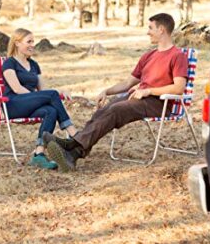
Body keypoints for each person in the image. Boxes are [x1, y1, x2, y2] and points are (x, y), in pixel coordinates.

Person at [43, 13, 188, 172]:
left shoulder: (177, 56)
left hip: (158, 102)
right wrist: (107, 91)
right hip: (137, 98)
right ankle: (73, 150)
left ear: (161, 29)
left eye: (150, 28)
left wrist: (148, 91)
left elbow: (179, 88)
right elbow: (128, 83)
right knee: (104, 109)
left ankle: (73, 149)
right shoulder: (149, 55)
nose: (148, 32)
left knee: (115, 110)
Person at [2, 28, 78, 169]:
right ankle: (74, 134)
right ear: (17, 43)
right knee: (52, 96)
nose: (33, 45)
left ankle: (39, 155)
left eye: (33, 41)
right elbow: (17, 89)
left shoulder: (34, 65)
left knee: (51, 111)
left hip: (29, 105)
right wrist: (39, 96)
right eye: (28, 41)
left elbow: (43, 91)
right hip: (13, 104)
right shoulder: (9, 63)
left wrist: (60, 90)